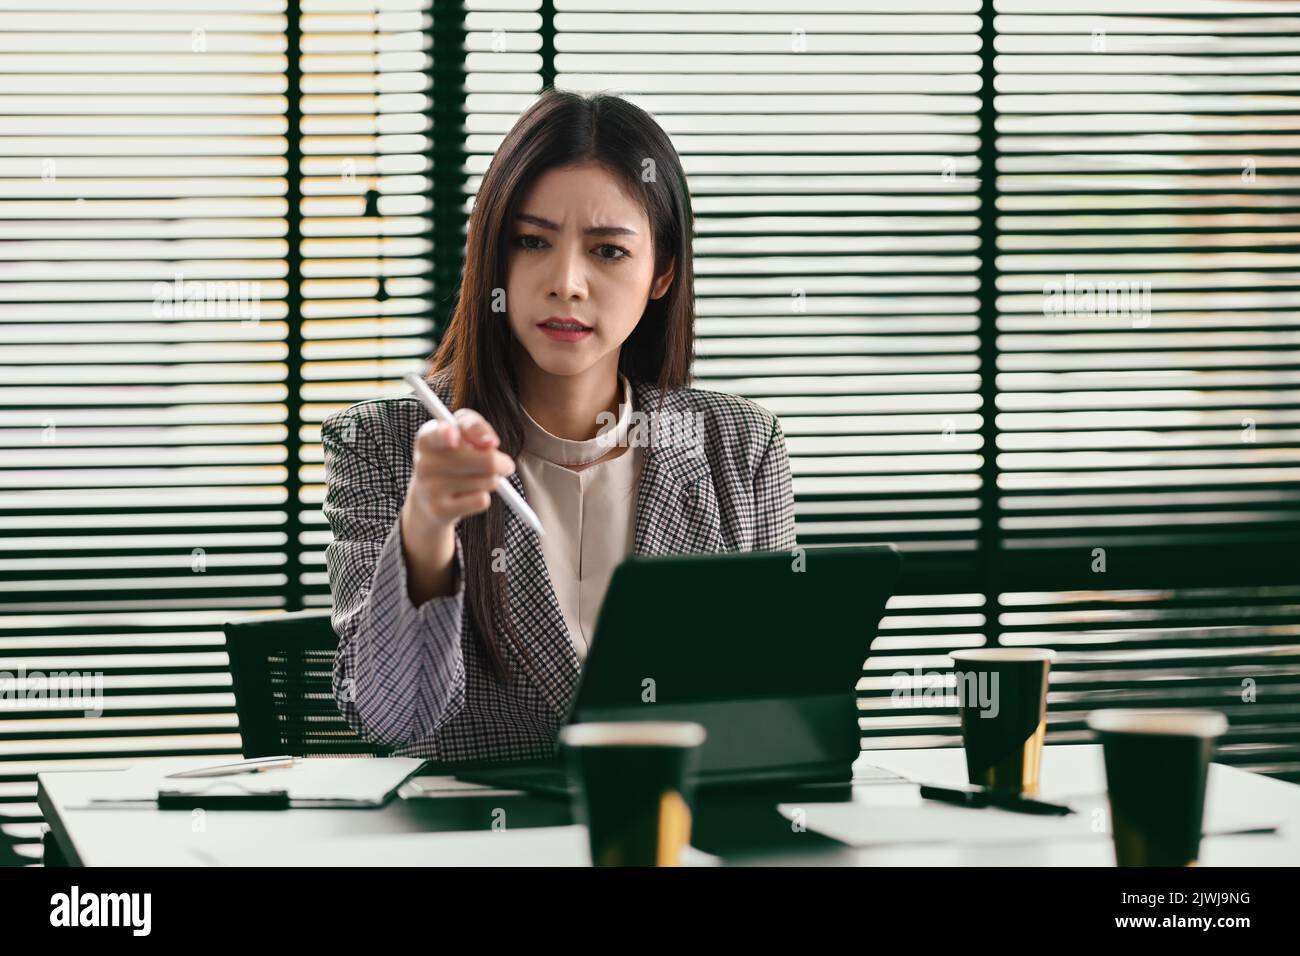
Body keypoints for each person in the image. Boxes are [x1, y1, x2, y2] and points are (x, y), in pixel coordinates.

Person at [322, 89, 796, 762]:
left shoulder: (740, 448)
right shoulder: (386, 445)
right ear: (495, 257)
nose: (566, 281)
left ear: (661, 271)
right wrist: (425, 525)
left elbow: (776, 704)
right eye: (531, 241)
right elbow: (391, 719)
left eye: (607, 251)